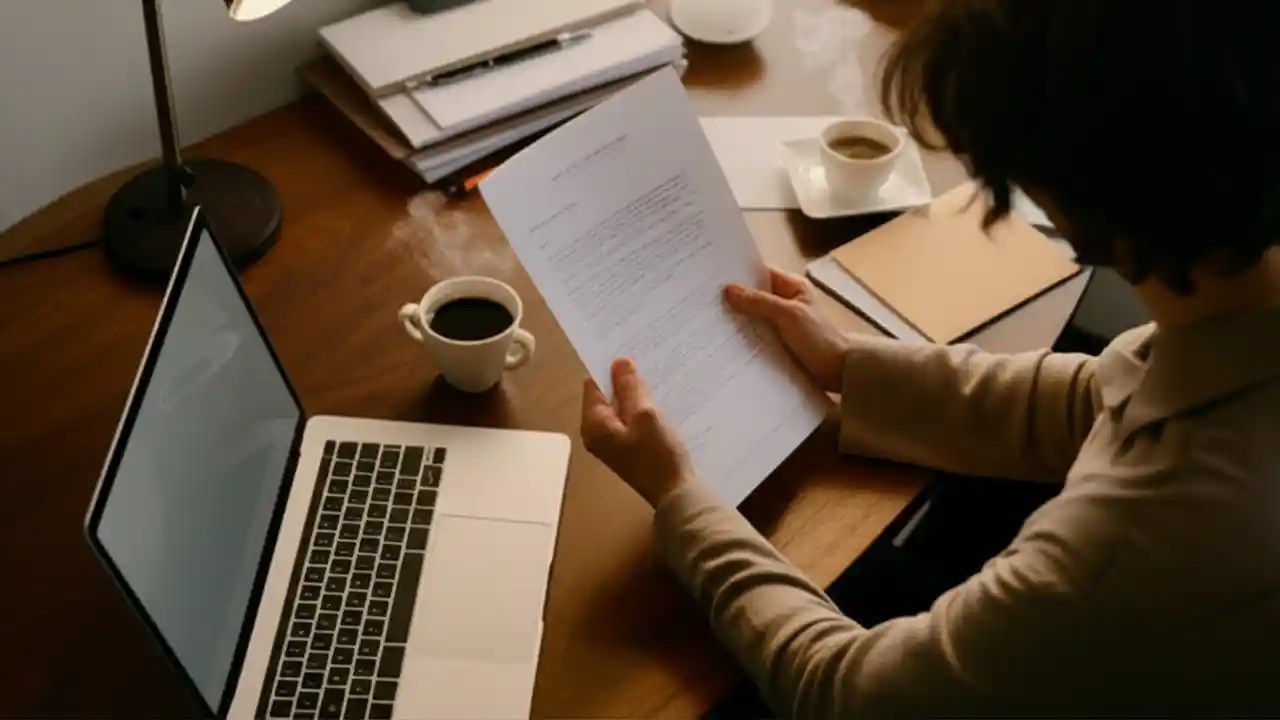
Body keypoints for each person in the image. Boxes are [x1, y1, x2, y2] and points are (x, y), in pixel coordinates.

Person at [580, 0, 1280, 715]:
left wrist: (681, 502)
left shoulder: (1134, 542)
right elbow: (1103, 393)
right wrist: (848, 368)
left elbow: (846, 693)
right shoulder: (1240, 309)